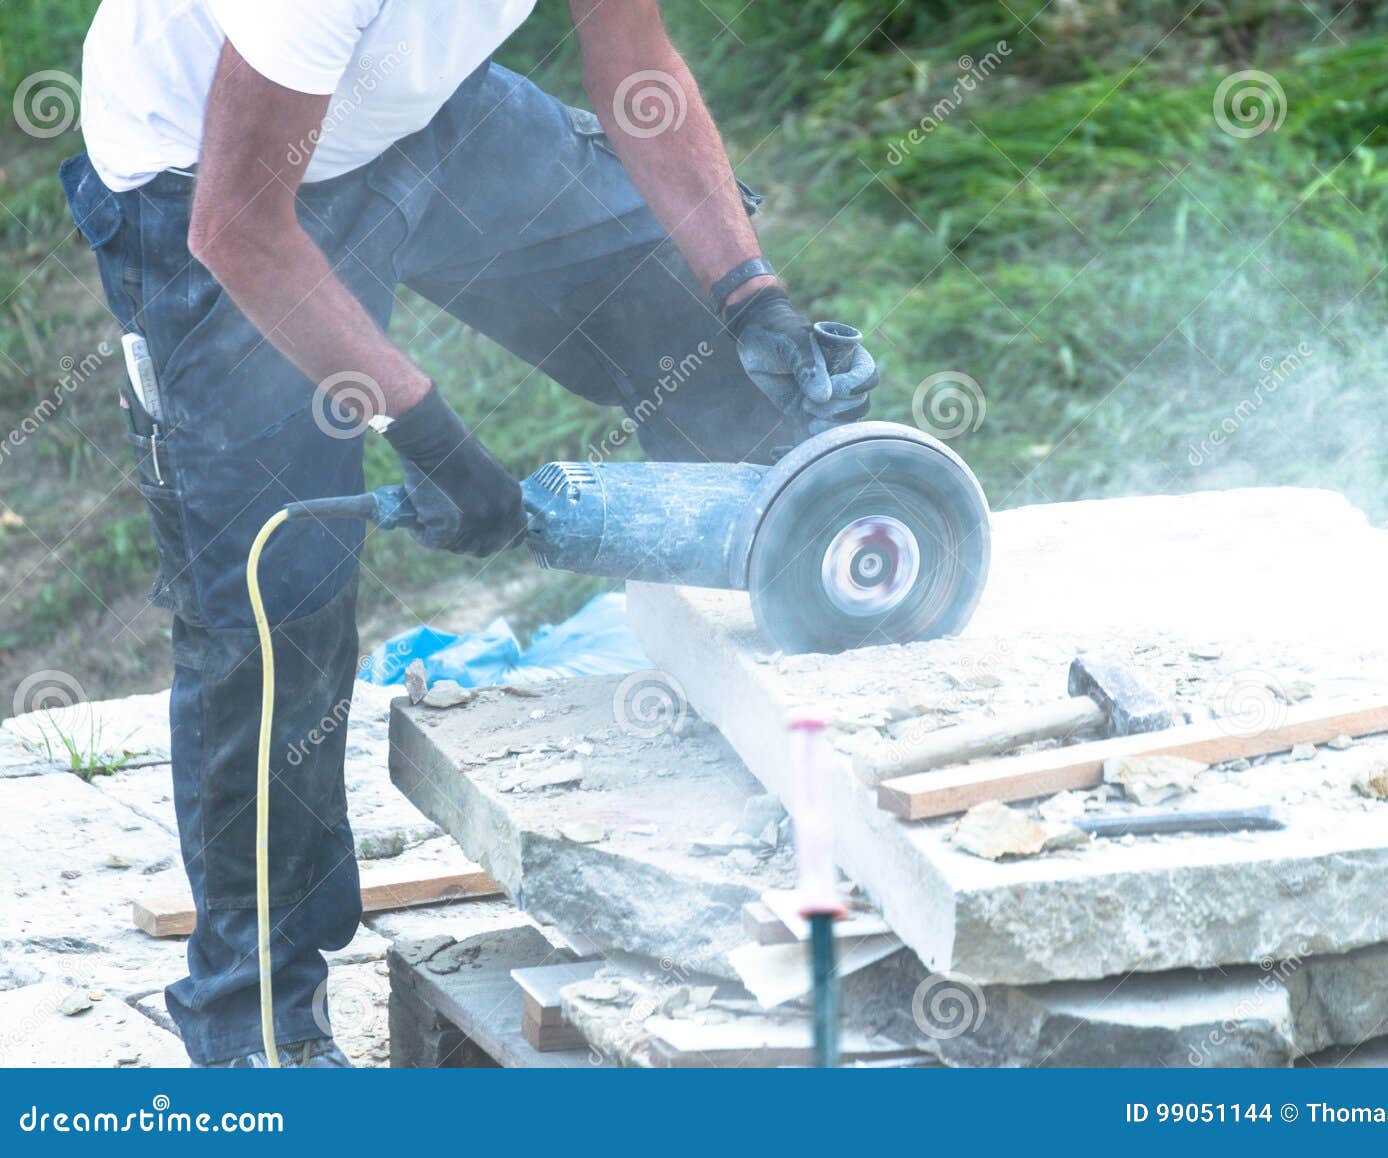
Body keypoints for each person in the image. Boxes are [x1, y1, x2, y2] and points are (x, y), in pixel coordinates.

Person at [61, 0, 877, 1067]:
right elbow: (238, 226)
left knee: (725, 368)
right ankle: (257, 1026)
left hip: (426, 121)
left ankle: (790, 816)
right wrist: (424, 428)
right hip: (201, 185)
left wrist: (747, 292)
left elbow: (634, 59)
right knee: (276, 606)